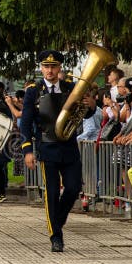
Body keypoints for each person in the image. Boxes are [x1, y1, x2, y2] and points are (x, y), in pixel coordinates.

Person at [20, 50, 89, 252]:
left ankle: (57, 220)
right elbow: (25, 123)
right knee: (51, 193)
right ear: (41, 68)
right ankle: (56, 237)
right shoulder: (33, 91)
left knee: (73, 187)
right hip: (46, 146)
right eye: (46, 66)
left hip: (68, 147)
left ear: (59, 68)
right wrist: (27, 150)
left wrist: (90, 105)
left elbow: (86, 113)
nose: (49, 70)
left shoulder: (70, 87)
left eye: (53, 66)